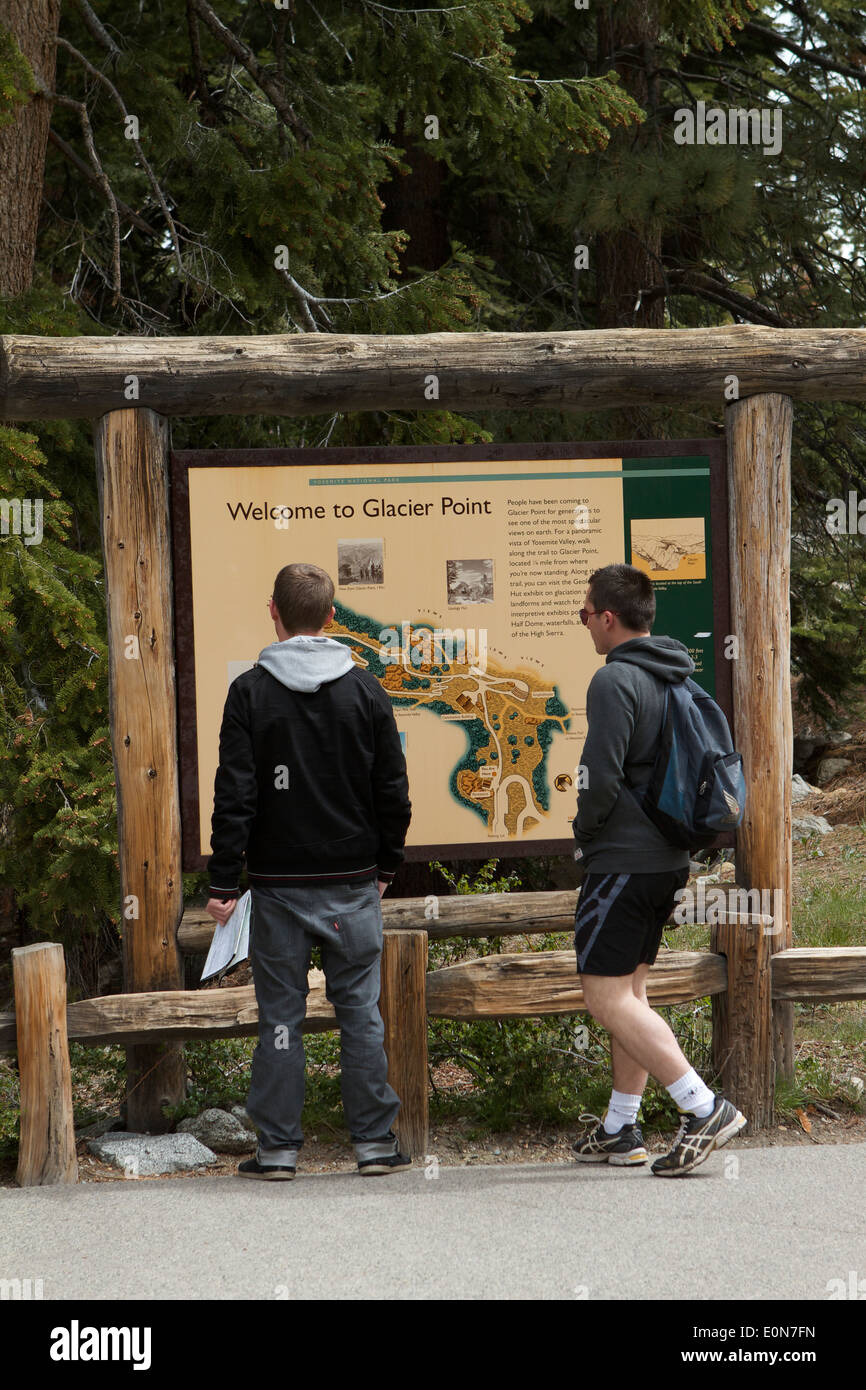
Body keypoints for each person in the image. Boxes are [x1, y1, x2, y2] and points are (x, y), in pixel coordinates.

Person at [205, 562, 412, 1180]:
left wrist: (222, 882)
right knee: (360, 1013)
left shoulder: (249, 692)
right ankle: (375, 1145)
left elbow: (235, 795)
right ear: (331, 616)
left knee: (281, 1019)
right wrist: (388, 864)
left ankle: (277, 1151)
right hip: (353, 881)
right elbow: (392, 790)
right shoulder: (367, 690)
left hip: (277, 889)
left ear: (273, 610)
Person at [570, 563, 746, 1176]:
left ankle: (702, 1108)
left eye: (586, 611)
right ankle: (622, 1126)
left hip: (622, 859)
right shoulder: (675, 674)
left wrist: (584, 833)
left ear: (609, 617)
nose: (583, 620)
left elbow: (599, 776)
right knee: (633, 992)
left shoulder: (614, 680)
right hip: (669, 859)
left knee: (604, 995)